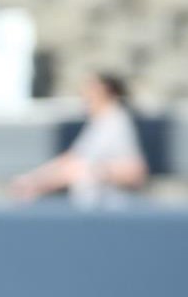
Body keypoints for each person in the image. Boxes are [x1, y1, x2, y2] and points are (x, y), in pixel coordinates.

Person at [11, 72, 147, 207]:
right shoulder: (99, 123)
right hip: (88, 206)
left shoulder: (116, 122)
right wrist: (34, 179)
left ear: (106, 92)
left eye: (92, 89)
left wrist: (95, 172)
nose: (85, 95)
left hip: (112, 207)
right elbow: (71, 159)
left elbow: (134, 171)